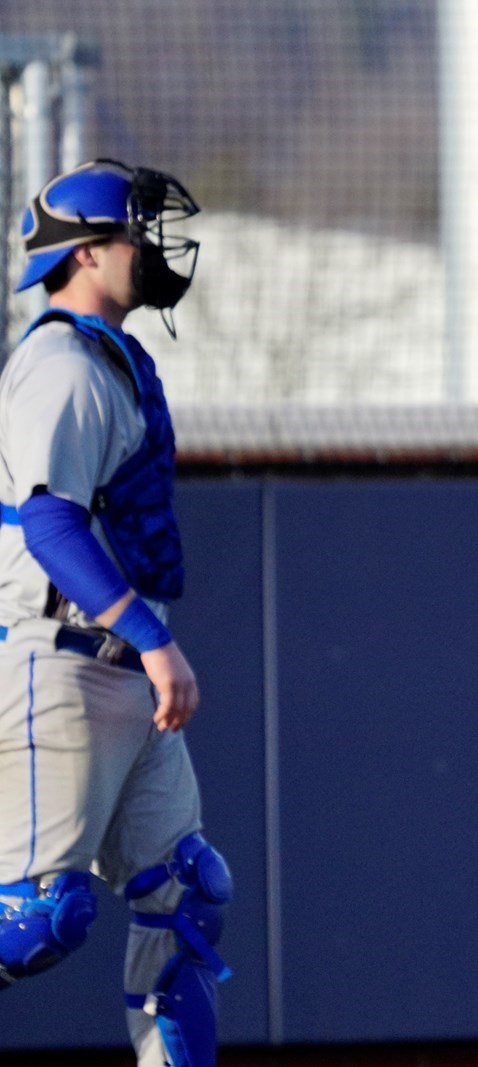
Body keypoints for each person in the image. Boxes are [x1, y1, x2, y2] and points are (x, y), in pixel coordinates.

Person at [0, 159, 232, 1067]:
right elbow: (51, 520)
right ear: (88, 253)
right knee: (39, 918)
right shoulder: (58, 360)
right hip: (62, 656)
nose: (153, 246)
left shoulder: (108, 355)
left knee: (184, 892)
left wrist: (144, 649)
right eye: (136, 232)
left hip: (120, 671)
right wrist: (153, 639)